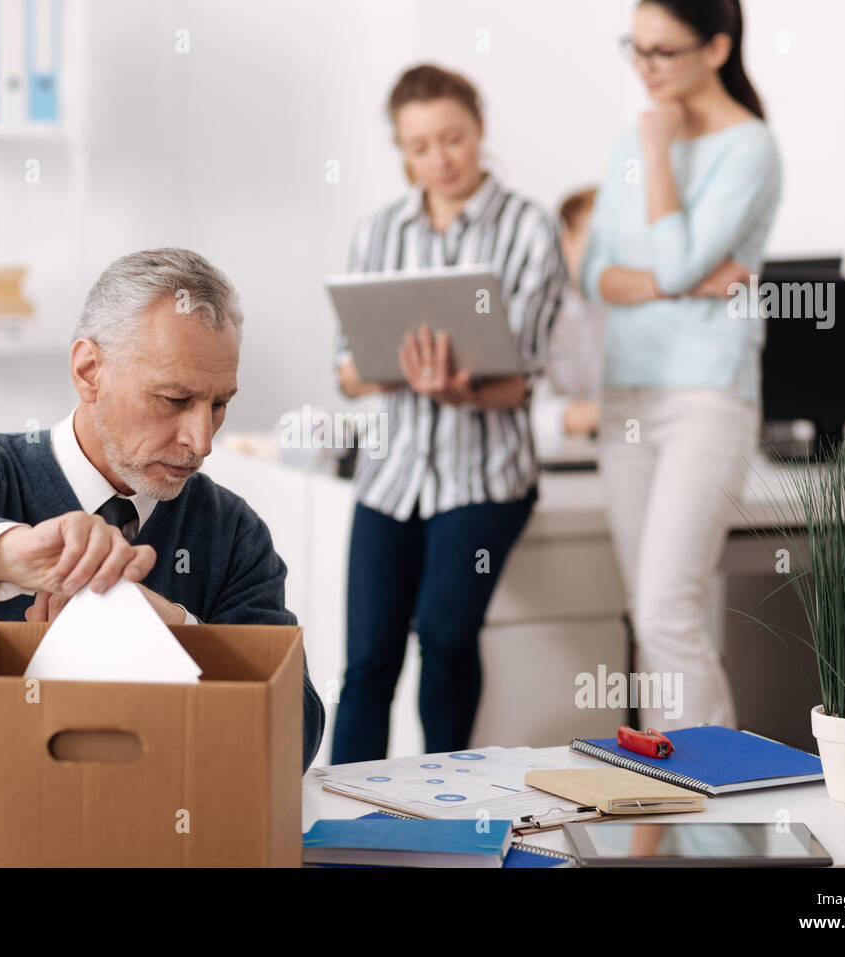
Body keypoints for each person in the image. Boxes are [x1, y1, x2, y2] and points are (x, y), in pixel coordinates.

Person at [0, 248, 325, 805]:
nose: (202, 440)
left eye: (219, 405)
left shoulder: (231, 532)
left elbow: (294, 737)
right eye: (176, 399)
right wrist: (10, 553)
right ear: (89, 371)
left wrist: (177, 630)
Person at [331, 64, 566, 763]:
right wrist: (392, 371)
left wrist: (459, 387)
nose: (440, 158)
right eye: (421, 145)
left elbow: (521, 381)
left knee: (444, 633)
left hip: (484, 476)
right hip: (392, 474)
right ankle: (343, 817)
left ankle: (446, 799)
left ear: (480, 130)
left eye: (453, 138)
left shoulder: (528, 230)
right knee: (368, 655)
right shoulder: (378, 232)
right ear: (403, 150)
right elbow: (345, 370)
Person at [579, 0, 782, 729]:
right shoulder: (625, 141)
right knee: (650, 609)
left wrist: (661, 153)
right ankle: (673, 807)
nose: (646, 67)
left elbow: (670, 257)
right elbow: (593, 274)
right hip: (627, 394)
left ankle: (712, 803)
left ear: (716, 47)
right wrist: (680, 280)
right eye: (636, 49)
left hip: (706, 398)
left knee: (668, 610)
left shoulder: (748, 146)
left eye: (663, 51)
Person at [531, 186, 607, 452]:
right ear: (566, 241)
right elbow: (529, 415)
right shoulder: (536, 312)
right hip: (559, 467)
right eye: (596, 241)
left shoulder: (636, 314)